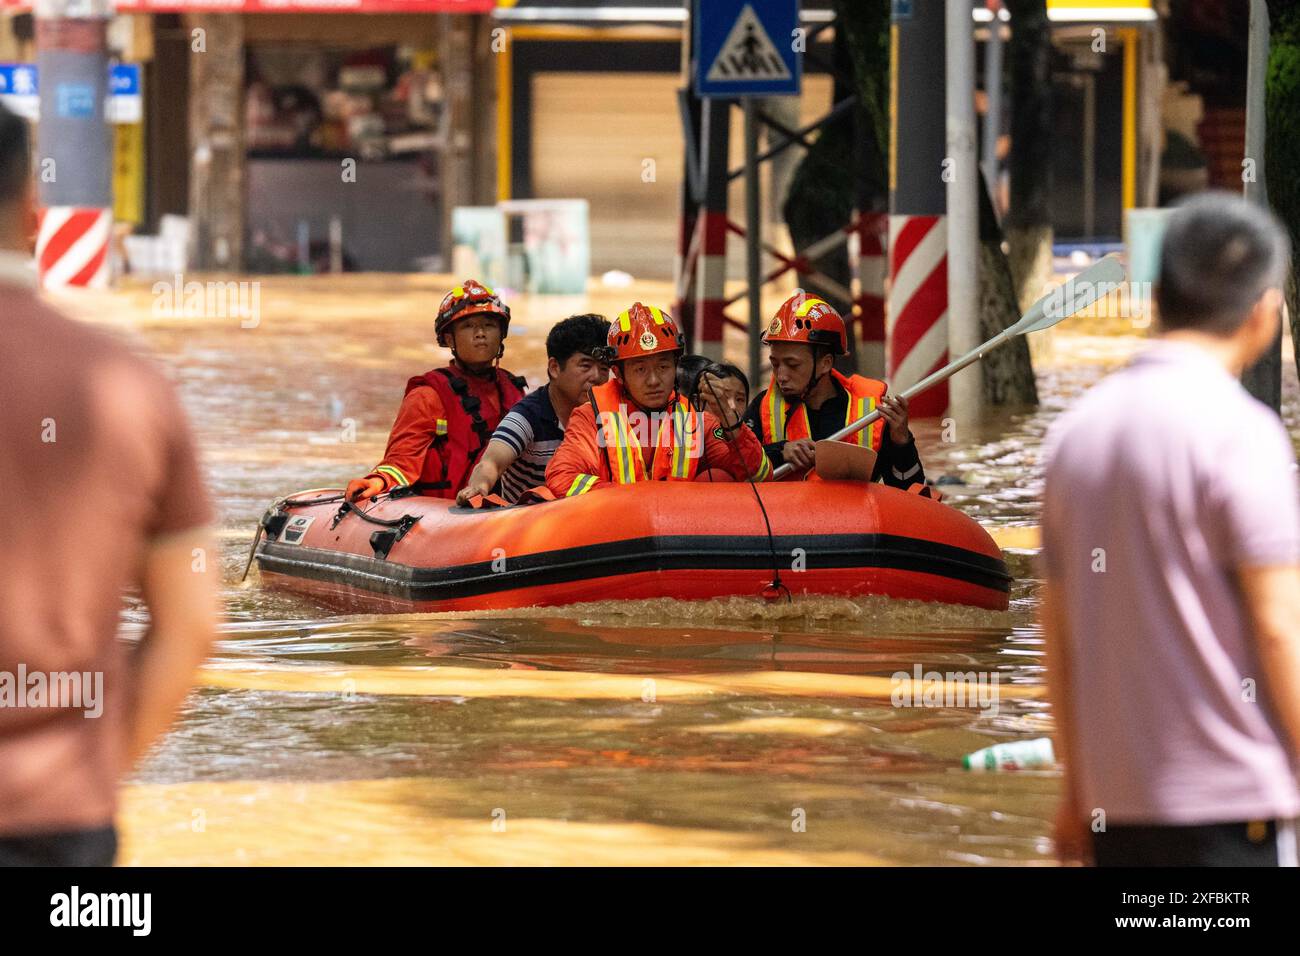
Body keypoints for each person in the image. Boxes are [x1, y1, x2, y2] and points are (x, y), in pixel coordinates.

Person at [1041, 192, 1300, 867]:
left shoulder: (1076, 436)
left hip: (1114, 809)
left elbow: (1059, 637)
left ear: (1158, 296)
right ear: (1264, 310)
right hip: (1231, 808)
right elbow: (1280, 628)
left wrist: (1075, 792)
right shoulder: (1243, 433)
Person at [0, 102, 219, 866]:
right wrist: (90, 773)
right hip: (63, 821)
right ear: (35, 214)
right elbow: (191, 624)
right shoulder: (130, 387)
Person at [545, 303, 772, 497]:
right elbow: (562, 477)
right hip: (616, 531)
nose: (654, 380)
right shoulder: (590, 417)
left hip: (679, 536)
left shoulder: (697, 421)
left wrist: (730, 421)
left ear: (676, 366)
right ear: (619, 373)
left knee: (718, 478)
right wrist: (633, 499)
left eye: (663, 367)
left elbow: (759, 475)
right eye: (640, 369)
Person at [347, 279, 527, 502]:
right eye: (469, 326)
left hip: (508, 510)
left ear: (501, 334)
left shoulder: (514, 389)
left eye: (489, 325)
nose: (480, 333)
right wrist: (379, 481)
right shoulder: (428, 396)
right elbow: (402, 459)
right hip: (448, 513)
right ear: (450, 338)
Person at [743, 290, 925, 488]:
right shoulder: (762, 408)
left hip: (854, 516)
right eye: (775, 364)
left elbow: (909, 490)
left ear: (825, 363)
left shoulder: (874, 412)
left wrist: (902, 443)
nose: (781, 376)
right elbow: (736, 469)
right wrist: (779, 452)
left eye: (793, 365)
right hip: (785, 515)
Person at [457, 313, 611, 504]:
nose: (597, 376)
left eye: (604, 369)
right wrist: (478, 488)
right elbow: (491, 464)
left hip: (588, 517)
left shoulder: (612, 413)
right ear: (554, 368)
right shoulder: (527, 416)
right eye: (585, 365)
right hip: (528, 523)